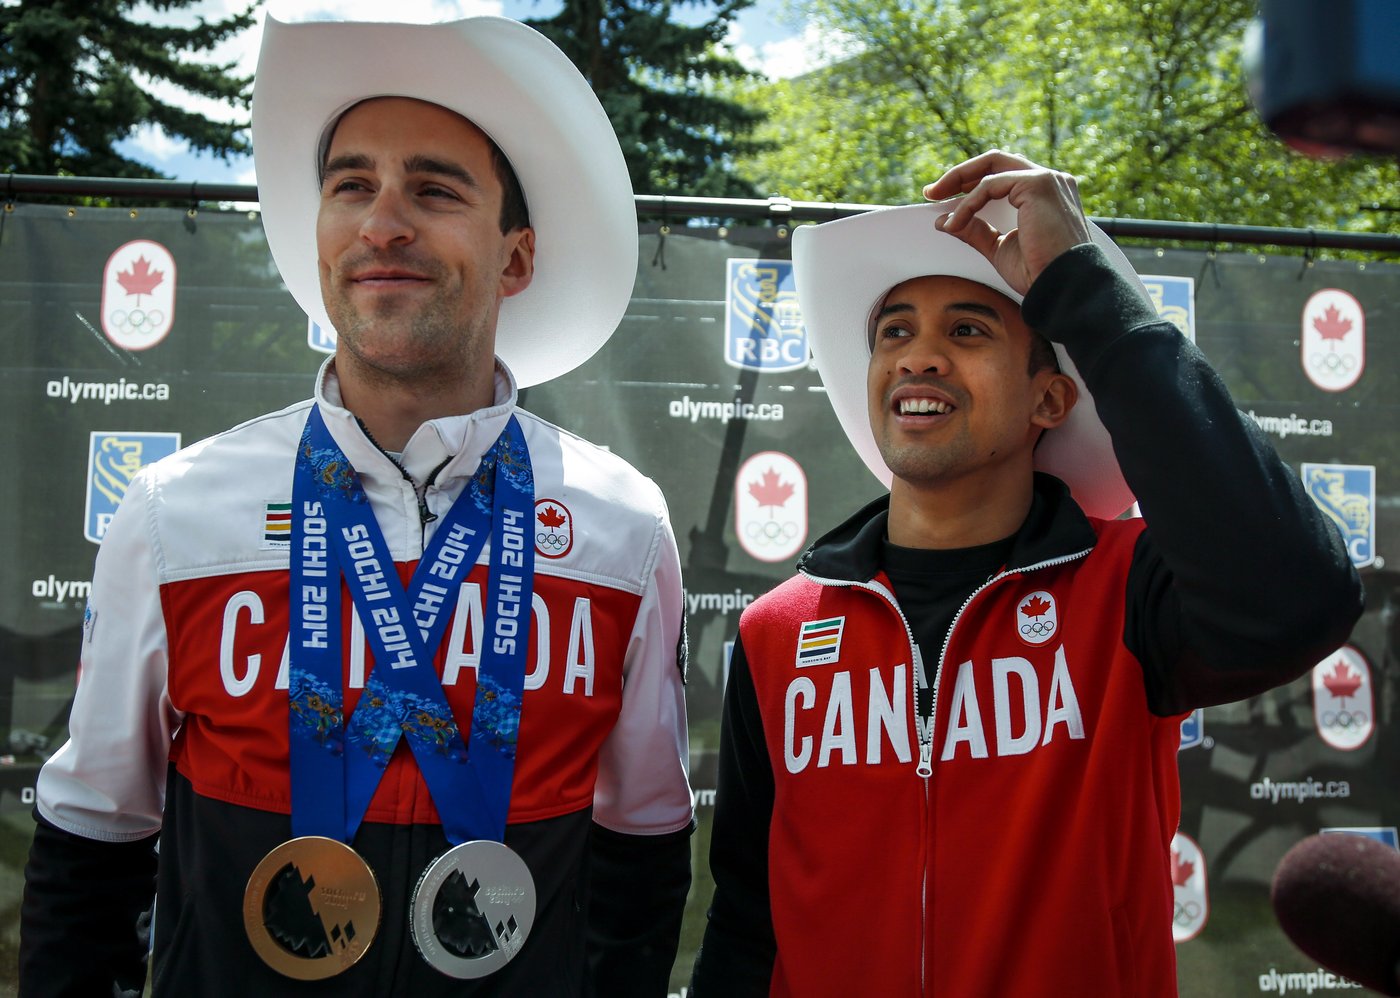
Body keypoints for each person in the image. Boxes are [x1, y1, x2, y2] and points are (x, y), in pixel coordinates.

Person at [20, 15, 693, 997]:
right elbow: (94, 834)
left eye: (432, 187)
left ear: (515, 257)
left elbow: (640, 859)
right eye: (351, 187)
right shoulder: (175, 511)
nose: (383, 222)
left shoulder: (621, 526)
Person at [690, 151, 1364, 997]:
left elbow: (1302, 599)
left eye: (967, 331)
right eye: (894, 331)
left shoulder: (1129, 591)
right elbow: (749, 918)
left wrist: (1082, 283)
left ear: (1051, 400)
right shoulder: (776, 632)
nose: (918, 356)